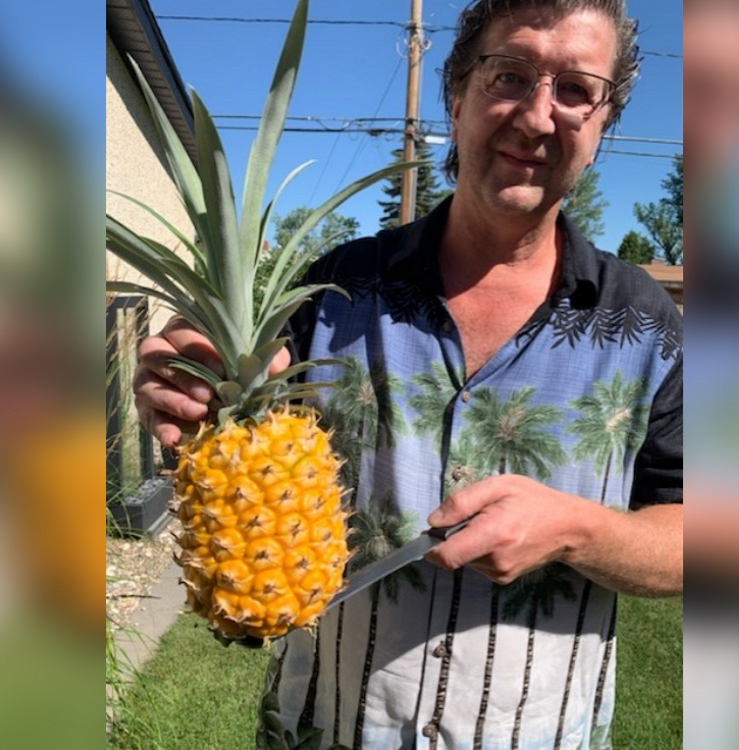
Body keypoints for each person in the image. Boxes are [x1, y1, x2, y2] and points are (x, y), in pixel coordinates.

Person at [135, 1, 682, 747]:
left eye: (576, 89)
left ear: (604, 122)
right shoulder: (329, 289)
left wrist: (577, 531)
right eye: (509, 75)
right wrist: (185, 373)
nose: (536, 116)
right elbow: (228, 409)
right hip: (328, 730)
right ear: (456, 96)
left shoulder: (646, 322)